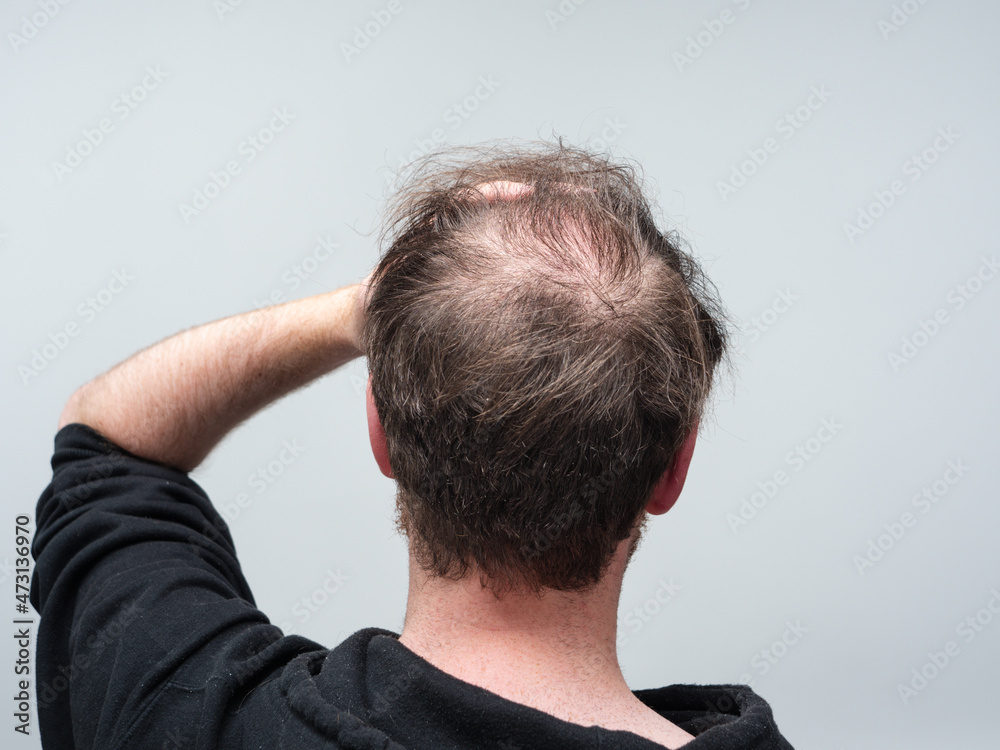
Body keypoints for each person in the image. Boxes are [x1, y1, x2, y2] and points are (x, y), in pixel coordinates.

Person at [30, 141, 794, 749]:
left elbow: (105, 435)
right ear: (673, 469)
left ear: (382, 433)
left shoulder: (192, 716)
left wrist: (358, 311)